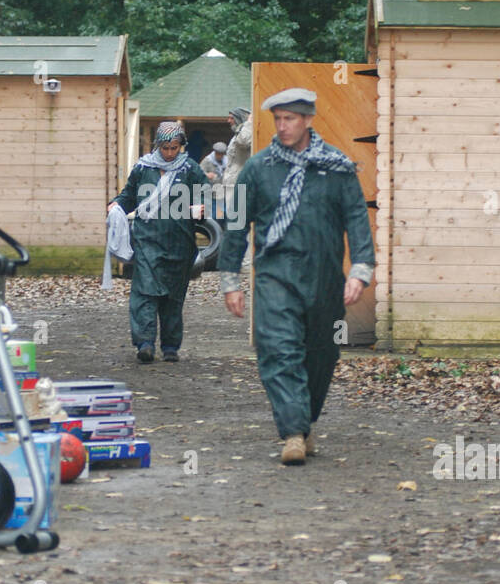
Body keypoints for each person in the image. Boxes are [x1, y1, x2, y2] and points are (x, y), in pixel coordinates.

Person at [217, 88, 374, 465]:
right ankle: (292, 432)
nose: (283, 126)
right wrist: (230, 279)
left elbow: (356, 217)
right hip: (274, 274)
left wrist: (360, 270)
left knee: (321, 354)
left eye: (290, 119)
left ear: (307, 120)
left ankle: (304, 422)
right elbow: (237, 223)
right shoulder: (259, 168)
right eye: (278, 119)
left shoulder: (335, 166)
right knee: (277, 348)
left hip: (323, 276)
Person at [110, 122, 208, 363]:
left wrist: (201, 207)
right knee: (145, 291)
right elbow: (129, 195)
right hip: (147, 240)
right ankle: (144, 343)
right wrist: (117, 205)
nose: (170, 153)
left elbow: (205, 192)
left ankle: (171, 345)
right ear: (157, 146)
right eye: (165, 148)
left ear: (181, 146)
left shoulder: (189, 169)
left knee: (173, 295)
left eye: (174, 148)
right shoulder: (143, 168)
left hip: (180, 241)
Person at [223, 107, 251, 191]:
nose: (229, 121)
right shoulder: (236, 136)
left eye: (232, 118)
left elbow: (243, 141)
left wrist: (249, 123)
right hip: (231, 183)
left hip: (241, 184)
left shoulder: (248, 133)